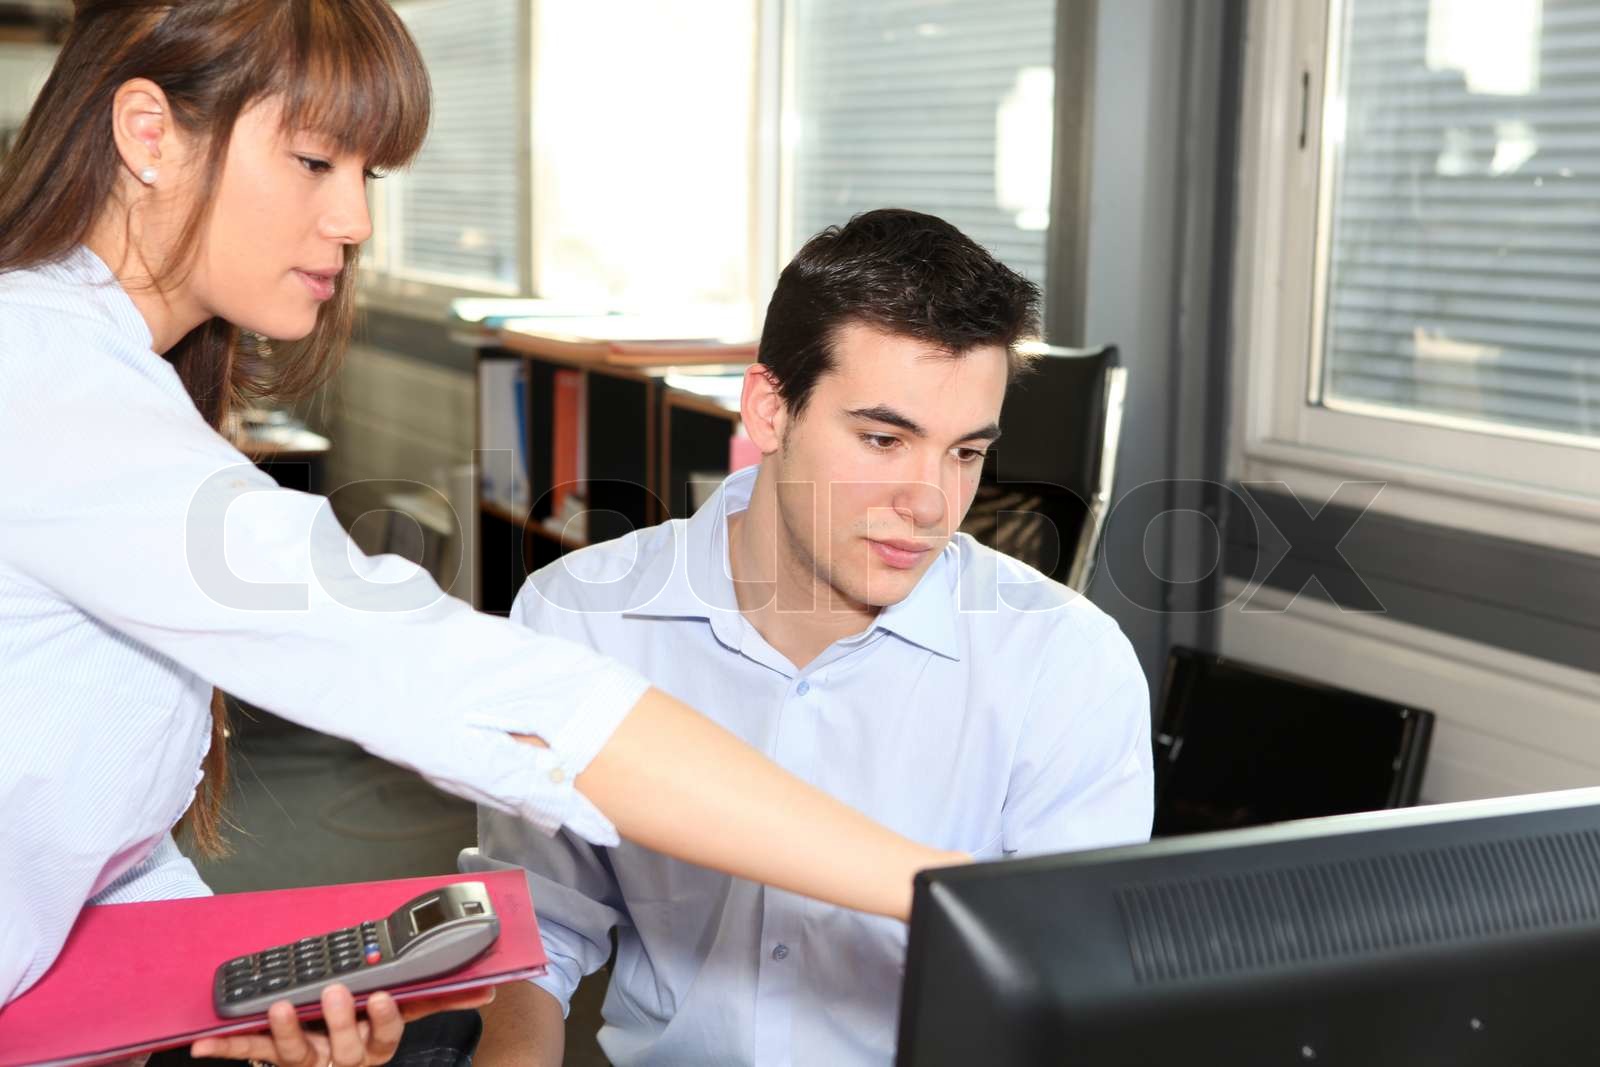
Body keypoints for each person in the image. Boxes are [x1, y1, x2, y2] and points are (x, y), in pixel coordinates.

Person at [0, 4, 963, 1063]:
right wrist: (933, 889)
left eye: (368, 175)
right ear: (148, 134)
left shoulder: (106, 378)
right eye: (317, 160)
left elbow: (87, 839)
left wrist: (201, 1003)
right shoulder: (43, 378)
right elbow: (442, 676)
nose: (356, 219)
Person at [467, 208, 1154, 1066]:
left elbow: (1070, 995)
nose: (932, 503)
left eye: (966, 452)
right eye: (883, 438)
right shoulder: (583, 614)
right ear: (769, 409)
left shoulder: (1067, 664)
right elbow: (539, 924)